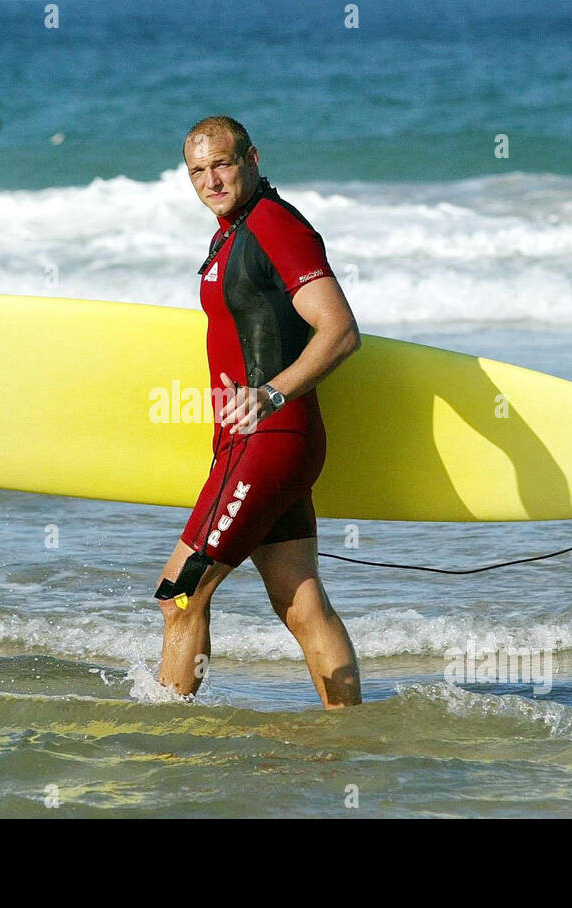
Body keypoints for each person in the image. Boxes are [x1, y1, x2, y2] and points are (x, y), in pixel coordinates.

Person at [154, 115, 363, 709]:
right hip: (262, 445)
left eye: (222, 164)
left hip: (268, 440)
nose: (211, 180)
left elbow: (341, 331)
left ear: (251, 157)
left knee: (181, 594)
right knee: (299, 602)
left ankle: (171, 733)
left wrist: (271, 394)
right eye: (198, 170)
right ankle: (349, 731)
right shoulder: (231, 229)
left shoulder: (274, 225)